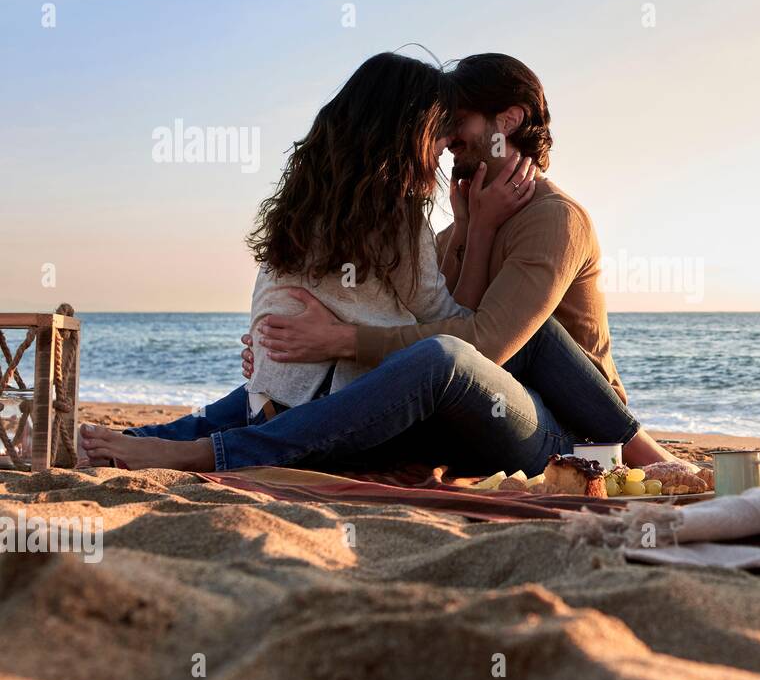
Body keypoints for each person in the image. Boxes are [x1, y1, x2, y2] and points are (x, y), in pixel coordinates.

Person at [80, 51, 681, 475]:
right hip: (469, 422)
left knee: (477, 347)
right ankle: (110, 443)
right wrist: (279, 349)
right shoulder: (445, 223)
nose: (447, 141)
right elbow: (434, 316)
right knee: (423, 359)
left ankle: (644, 451)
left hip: (562, 435)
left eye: (458, 121)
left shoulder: (553, 219)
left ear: (509, 120)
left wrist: (339, 339)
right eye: (441, 128)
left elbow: (480, 345)